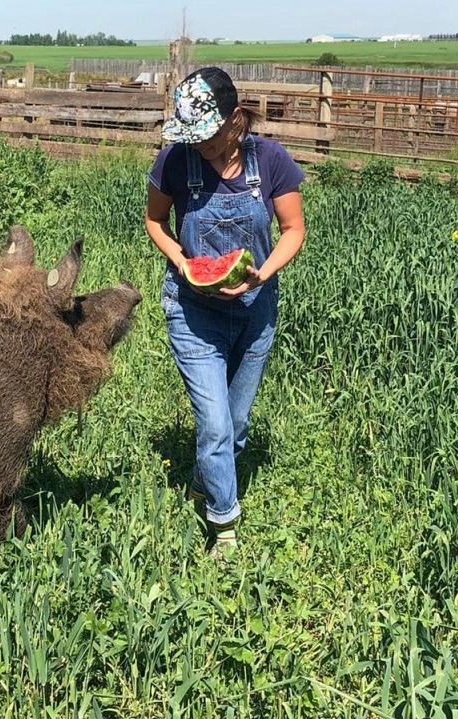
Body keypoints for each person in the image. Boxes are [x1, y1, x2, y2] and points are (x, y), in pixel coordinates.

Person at [145, 67, 306, 557]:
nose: (199, 145)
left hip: (255, 310)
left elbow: (293, 230)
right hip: (193, 311)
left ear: (235, 120)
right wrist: (183, 263)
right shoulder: (175, 160)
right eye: (191, 136)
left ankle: (205, 478)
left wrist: (262, 273)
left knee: (234, 428)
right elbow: (155, 221)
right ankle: (224, 526)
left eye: (208, 136)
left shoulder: (271, 160)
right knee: (215, 426)